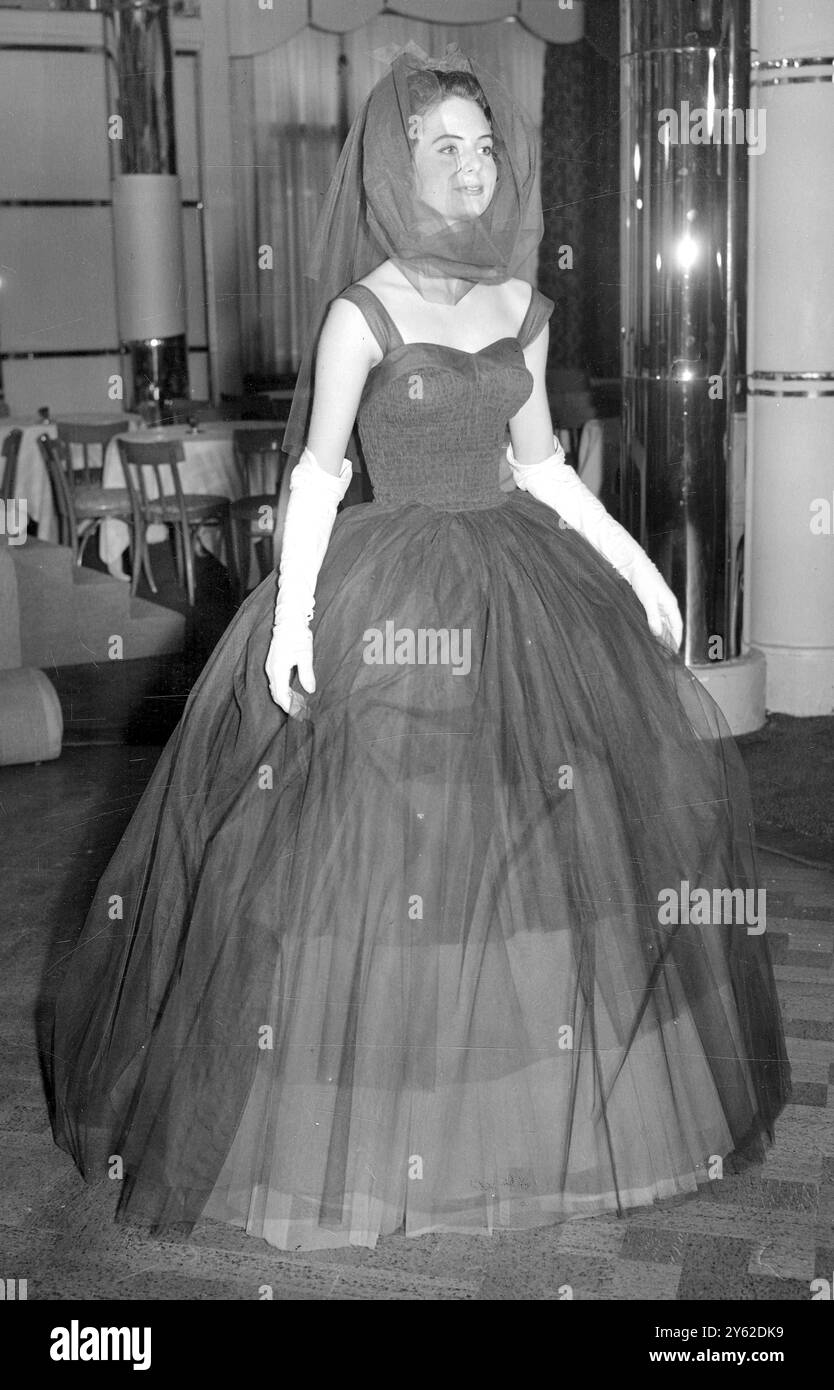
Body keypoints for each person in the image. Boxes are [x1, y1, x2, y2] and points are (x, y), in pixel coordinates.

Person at [50, 47, 790, 1253]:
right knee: (375, 851)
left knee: (529, 849)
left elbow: (544, 470)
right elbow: (316, 474)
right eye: (444, 144)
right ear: (399, 165)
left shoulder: (519, 308)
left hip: (519, 591)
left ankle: (514, 1109)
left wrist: (644, 568)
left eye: (484, 145)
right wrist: (291, 622)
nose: (471, 165)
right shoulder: (362, 311)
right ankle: (362, 1108)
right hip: (386, 589)